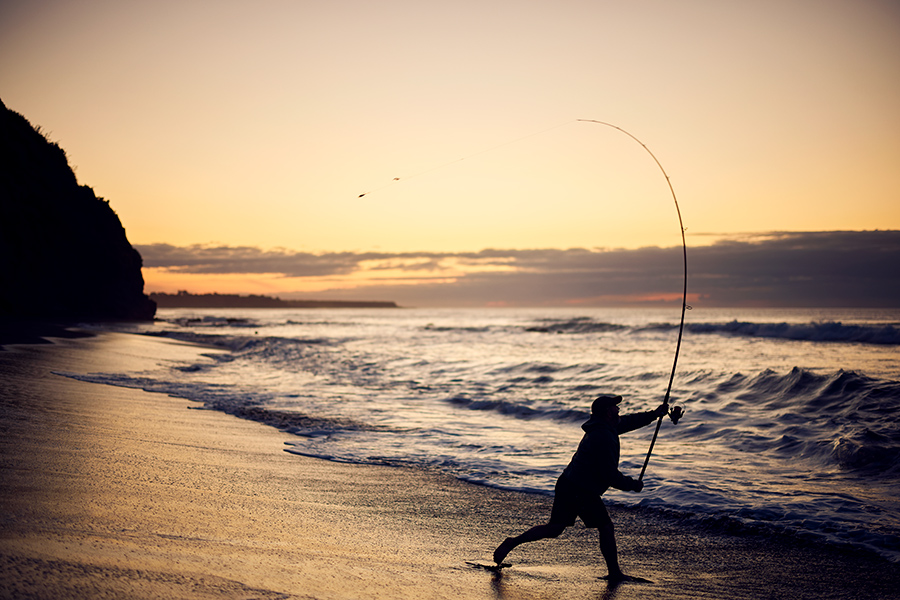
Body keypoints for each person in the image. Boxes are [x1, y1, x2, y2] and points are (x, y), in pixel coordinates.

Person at [492, 394, 672, 582]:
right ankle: (614, 573)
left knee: (555, 528)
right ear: (607, 412)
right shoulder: (603, 437)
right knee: (605, 526)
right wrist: (632, 485)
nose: (618, 409)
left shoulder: (604, 426)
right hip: (580, 489)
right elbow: (608, 475)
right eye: (614, 407)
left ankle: (512, 542)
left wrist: (654, 414)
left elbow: (628, 422)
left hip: (569, 483)